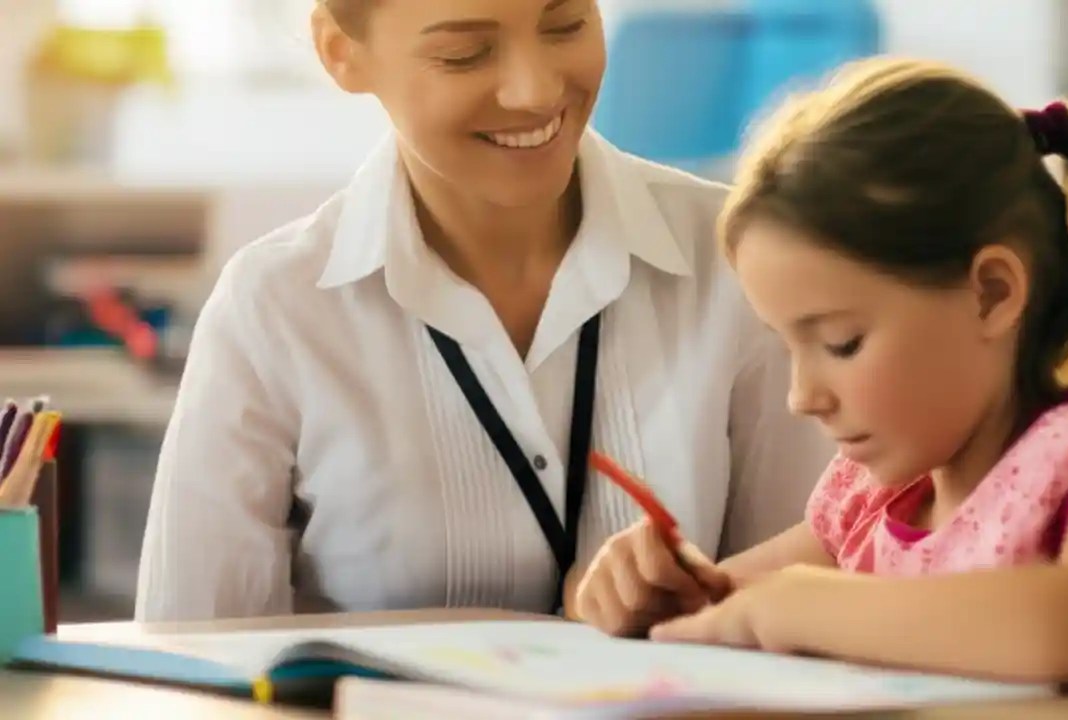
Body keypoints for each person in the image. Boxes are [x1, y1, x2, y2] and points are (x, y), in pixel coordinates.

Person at [572, 57, 1068, 704]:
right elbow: (728, 603)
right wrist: (649, 592)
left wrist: (796, 606)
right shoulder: (867, 501)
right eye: (787, 346)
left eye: (840, 343)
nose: (801, 396)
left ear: (992, 294)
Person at [134, 0, 832, 621]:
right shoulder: (274, 307)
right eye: (464, 52)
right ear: (342, 53)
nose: (534, 91)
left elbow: (816, 592)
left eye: (566, 25)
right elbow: (190, 658)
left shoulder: (736, 261)